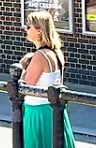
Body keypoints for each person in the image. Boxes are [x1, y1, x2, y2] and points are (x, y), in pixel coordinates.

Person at [20, 10, 76, 148]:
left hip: (38, 111)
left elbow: (25, 86)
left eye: (29, 26)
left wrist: (23, 67)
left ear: (39, 31)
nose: (25, 29)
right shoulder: (55, 52)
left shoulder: (40, 56)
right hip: (54, 110)